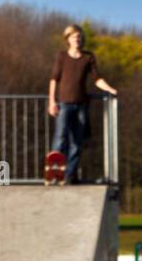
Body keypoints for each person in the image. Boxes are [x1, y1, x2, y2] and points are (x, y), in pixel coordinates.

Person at [48, 24, 117, 184]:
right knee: (60, 139)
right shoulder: (62, 56)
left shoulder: (88, 57)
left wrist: (110, 89)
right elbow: (54, 79)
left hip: (81, 105)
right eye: (73, 37)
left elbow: (97, 79)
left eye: (79, 37)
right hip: (64, 104)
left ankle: (70, 175)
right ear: (68, 40)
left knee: (76, 142)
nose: (77, 40)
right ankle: (54, 174)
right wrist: (52, 101)